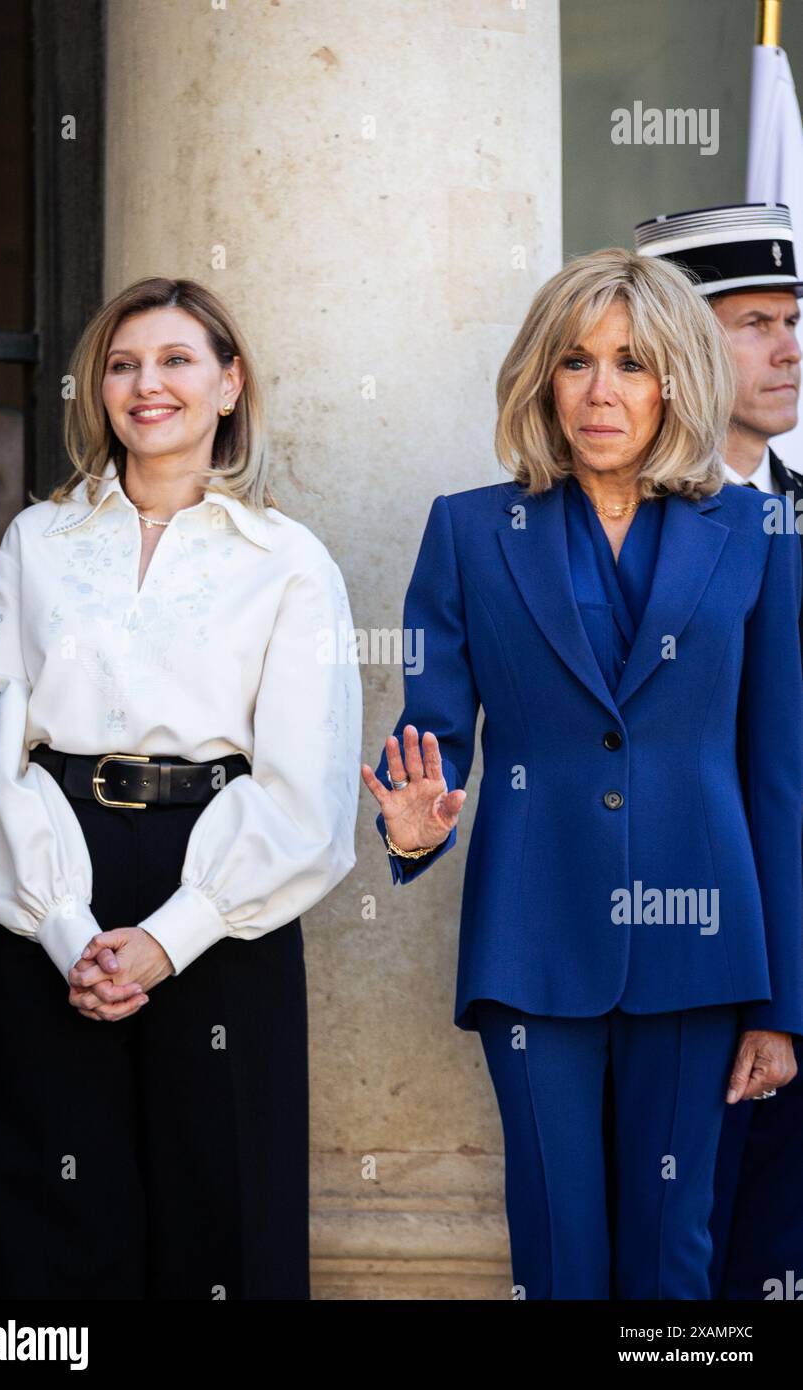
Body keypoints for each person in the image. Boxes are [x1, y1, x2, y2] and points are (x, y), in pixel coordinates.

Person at [361, 247, 803, 1300]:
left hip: (704, 946)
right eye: (574, 362)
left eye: (632, 363)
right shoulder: (467, 530)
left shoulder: (755, 532)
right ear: (538, 378)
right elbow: (431, 738)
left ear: (675, 383)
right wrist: (413, 827)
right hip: (532, 936)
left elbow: (776, 777)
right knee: (555, 1250)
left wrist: (780, 1002)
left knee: (672, 1253)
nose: (600, 390)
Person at [0, 275, 361, 1300]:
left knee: (222, 1213)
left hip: (222, 898)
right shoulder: (37, 543)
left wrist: (170, 936)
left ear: (228, 385)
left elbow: (304, 785)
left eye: (176, 360)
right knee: (48, 1220)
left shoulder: (288, 562)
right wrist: (64, 934)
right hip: (43, 887)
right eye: (123, 364)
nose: (146, 385)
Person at [635, 201, 803, 1301]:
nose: (786, 346)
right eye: (750, 322)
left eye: (792, 318)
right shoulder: (626, 525)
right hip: (687, 962)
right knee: (671, 1262)